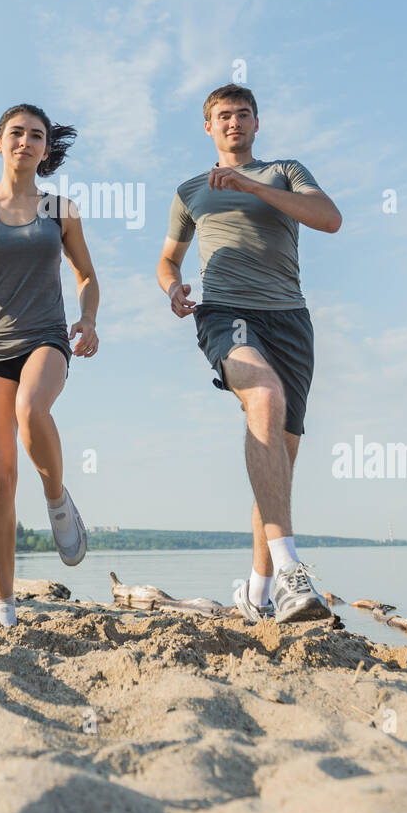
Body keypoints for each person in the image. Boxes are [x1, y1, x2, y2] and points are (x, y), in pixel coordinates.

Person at [156, 84, 342, 624]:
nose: (233, 122)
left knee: (278, 463)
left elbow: (329, 219)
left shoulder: (285, 171)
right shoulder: (191, 190)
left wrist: (250, 186)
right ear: (208, 128)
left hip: (289, 320)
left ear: (256, 124)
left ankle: (257, 595)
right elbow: (168, 259)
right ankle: (291, 570)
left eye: (242, 114)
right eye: (222, 116)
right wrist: (171, 287)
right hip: (224, 312)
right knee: (262, 393)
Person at [0, 104, 100, 627]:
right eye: (16, 133)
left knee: (32, 409)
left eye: (36, 135)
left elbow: (86, 275)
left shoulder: (61, 210)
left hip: (46, 337)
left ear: (45, 149)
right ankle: (3, 605)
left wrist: (88, 319)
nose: (25, 141)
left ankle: (57, 501)